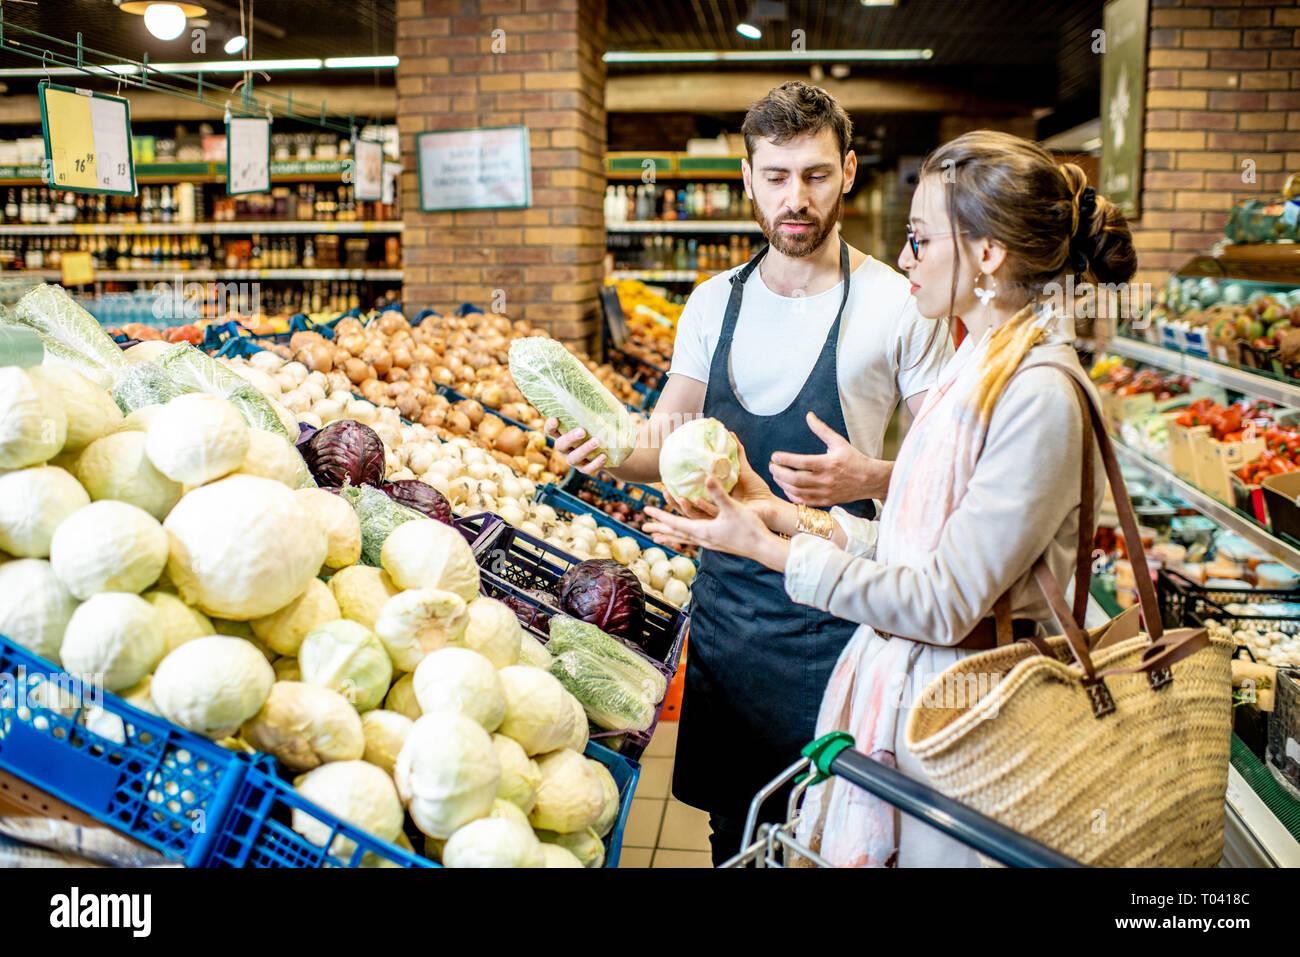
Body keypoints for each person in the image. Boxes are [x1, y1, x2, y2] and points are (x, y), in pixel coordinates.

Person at [642, 129, 1136, 867]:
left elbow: (942, 601)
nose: (906, 257)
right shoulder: (983, 366)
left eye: (921, 237)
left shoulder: (1037, 394)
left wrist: (773, 550)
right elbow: (913, 547)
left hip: (968, 726)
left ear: (988, 254)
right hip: (922, 708)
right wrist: (789, 516)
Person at [548, 81, 950, 864]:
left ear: (849, 172)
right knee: (733, 835)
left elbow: (945, 479)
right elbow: (666, 441)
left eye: (815, 175)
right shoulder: (710, 304)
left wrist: (866, 475)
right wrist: (606, 447)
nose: (795, 198)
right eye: (776, 176)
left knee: (838, 839)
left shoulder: (896, 305)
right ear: (747, 179)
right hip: (732, 624)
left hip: (841, 612)